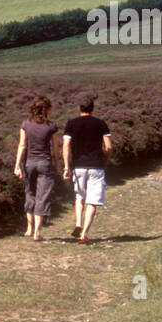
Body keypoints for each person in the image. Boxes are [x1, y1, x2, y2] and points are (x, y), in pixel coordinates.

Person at [61, 95, 112, 243]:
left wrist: (66, 167)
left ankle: (78, 222)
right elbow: (109, 147)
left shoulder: (71, 124)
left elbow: (65, 146)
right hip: (96, 165)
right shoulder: (101, 123)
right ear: (92, 108)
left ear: (79, 108)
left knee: (79, 196)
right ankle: (84, 234)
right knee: (92, 201)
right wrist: (106, 161)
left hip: (78, 166)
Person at [14, 95, 59, 242]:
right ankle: (37, 233)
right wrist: (57, 165)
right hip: (45, 163)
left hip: (29, 163)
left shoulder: (25, 124)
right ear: (47, 109)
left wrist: (16, 165)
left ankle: (29, 228)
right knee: (42, 197)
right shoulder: (51, 126)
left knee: (30, 193)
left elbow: (22, 145)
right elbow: (55, 148)